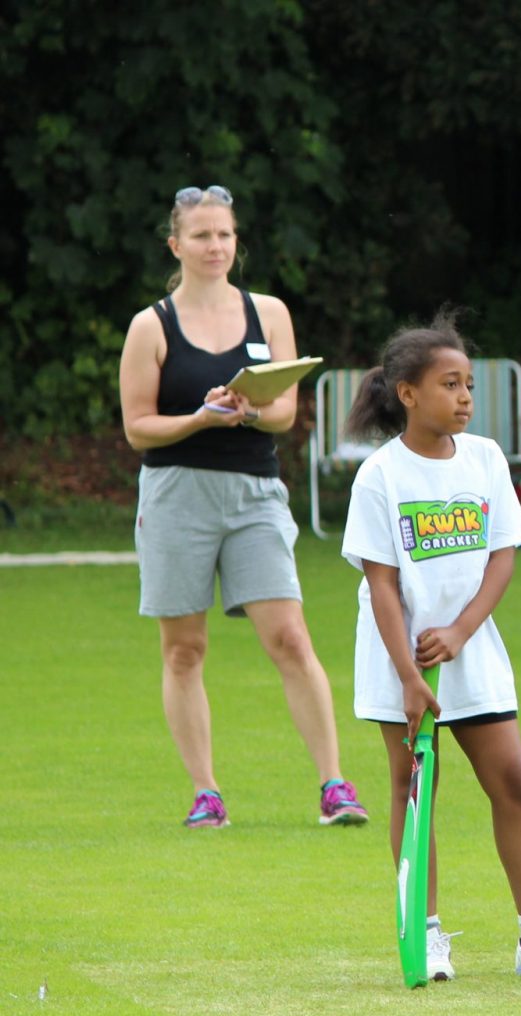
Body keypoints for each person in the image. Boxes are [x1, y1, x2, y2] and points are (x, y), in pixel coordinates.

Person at [340, 313, 521, 982]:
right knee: (413, 790)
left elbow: (502, 559)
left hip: (471, 649)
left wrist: (461, 632)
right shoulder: (380, 475)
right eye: (449, 384)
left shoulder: (486, 457)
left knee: (514, 782)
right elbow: (381, 586)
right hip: (399, 657)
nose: (465, 397)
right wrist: (408, 675)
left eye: (468, 384)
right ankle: (425, 937)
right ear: (407, 392)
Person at [118, 184, 367, 830]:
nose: (215, 246)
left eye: (224, 234)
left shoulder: (270, 313)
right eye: (201, 236)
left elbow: (284, 412)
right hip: (176, 495)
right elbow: (138, 428)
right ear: (177, 244)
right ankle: (206, 793)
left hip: (255, 492)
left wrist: (249, 409)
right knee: (184, 650)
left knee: (289, 638)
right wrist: (199, 419)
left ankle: (334, 785)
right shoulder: (152, 324)